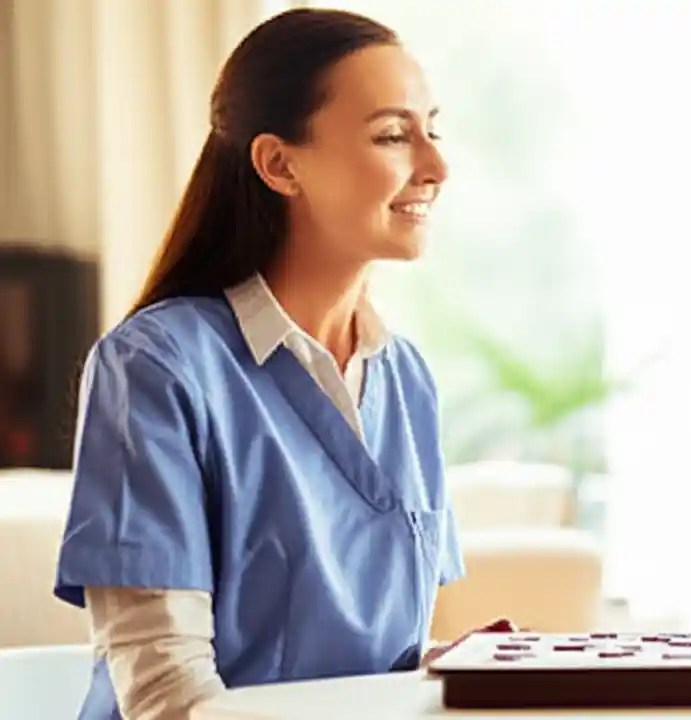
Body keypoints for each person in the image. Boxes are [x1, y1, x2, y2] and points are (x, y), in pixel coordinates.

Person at [53, 9, 504, 719]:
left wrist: (478, 673)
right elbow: (166, 695)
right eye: (393, 135)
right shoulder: (154, 367)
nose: (436, 167)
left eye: (432, 130)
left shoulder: (405, 377)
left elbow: (376, 658)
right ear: (278, 164)